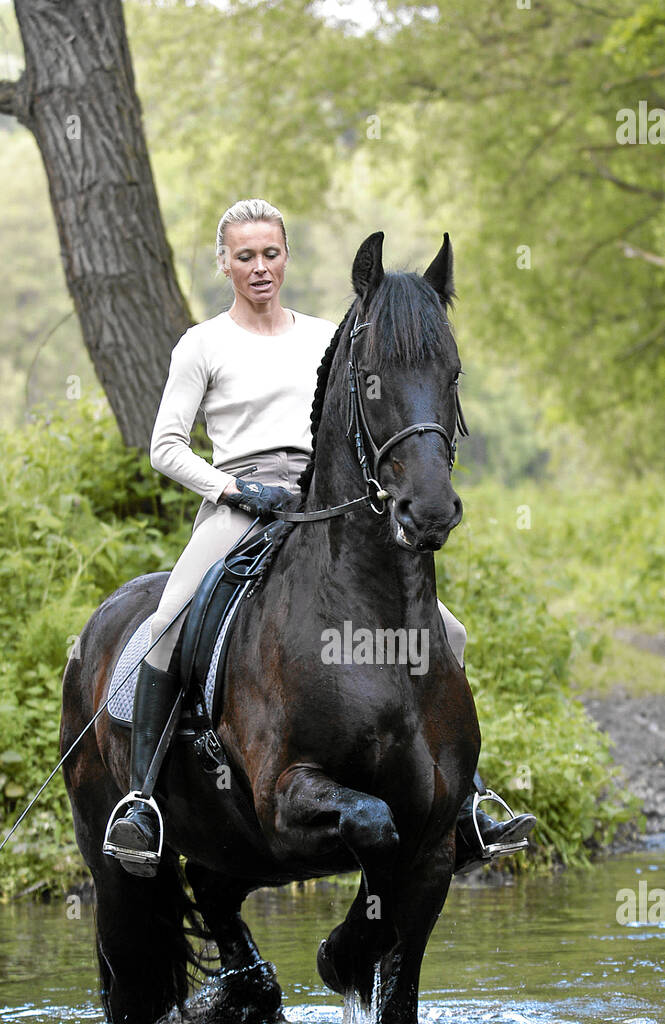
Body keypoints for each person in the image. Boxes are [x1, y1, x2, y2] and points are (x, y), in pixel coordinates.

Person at [104, 198, 533, 876]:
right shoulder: (203, 344)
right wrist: (233, 489)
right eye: (244, 256)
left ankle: (467, 799)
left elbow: (358, 419)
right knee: (165, 621)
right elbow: (165, 447)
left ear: (285, 258)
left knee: (447, 632)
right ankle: (141, 804)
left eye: (270, 253)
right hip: (238, 504)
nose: (259, 267)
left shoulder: (324, 337)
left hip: (322, 503)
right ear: (224, 264)